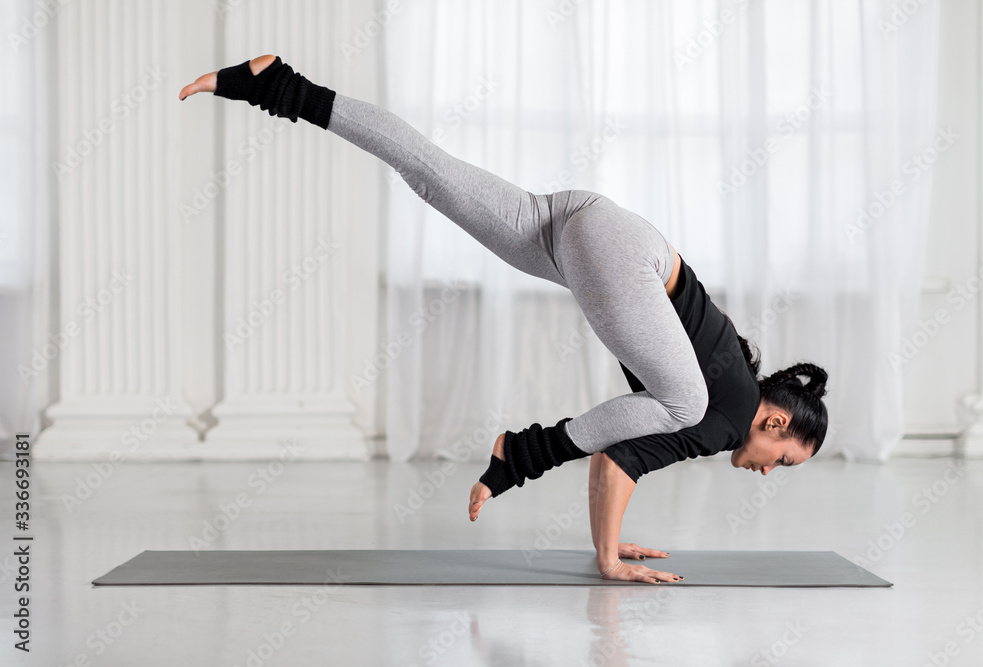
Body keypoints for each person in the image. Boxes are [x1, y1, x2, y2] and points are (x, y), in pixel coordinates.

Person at [180, 55, 830, 584]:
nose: (768, 471)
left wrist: (609, 547)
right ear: (774, 421)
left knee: (430, 172)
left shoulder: (718, 388)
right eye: (783, 459)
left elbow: (616, 460)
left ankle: (280, 86)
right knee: (682, 401)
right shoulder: (722, 414)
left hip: (585, 227)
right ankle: (522, 449)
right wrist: (579, 528)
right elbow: (616, 460)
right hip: (620, 253)